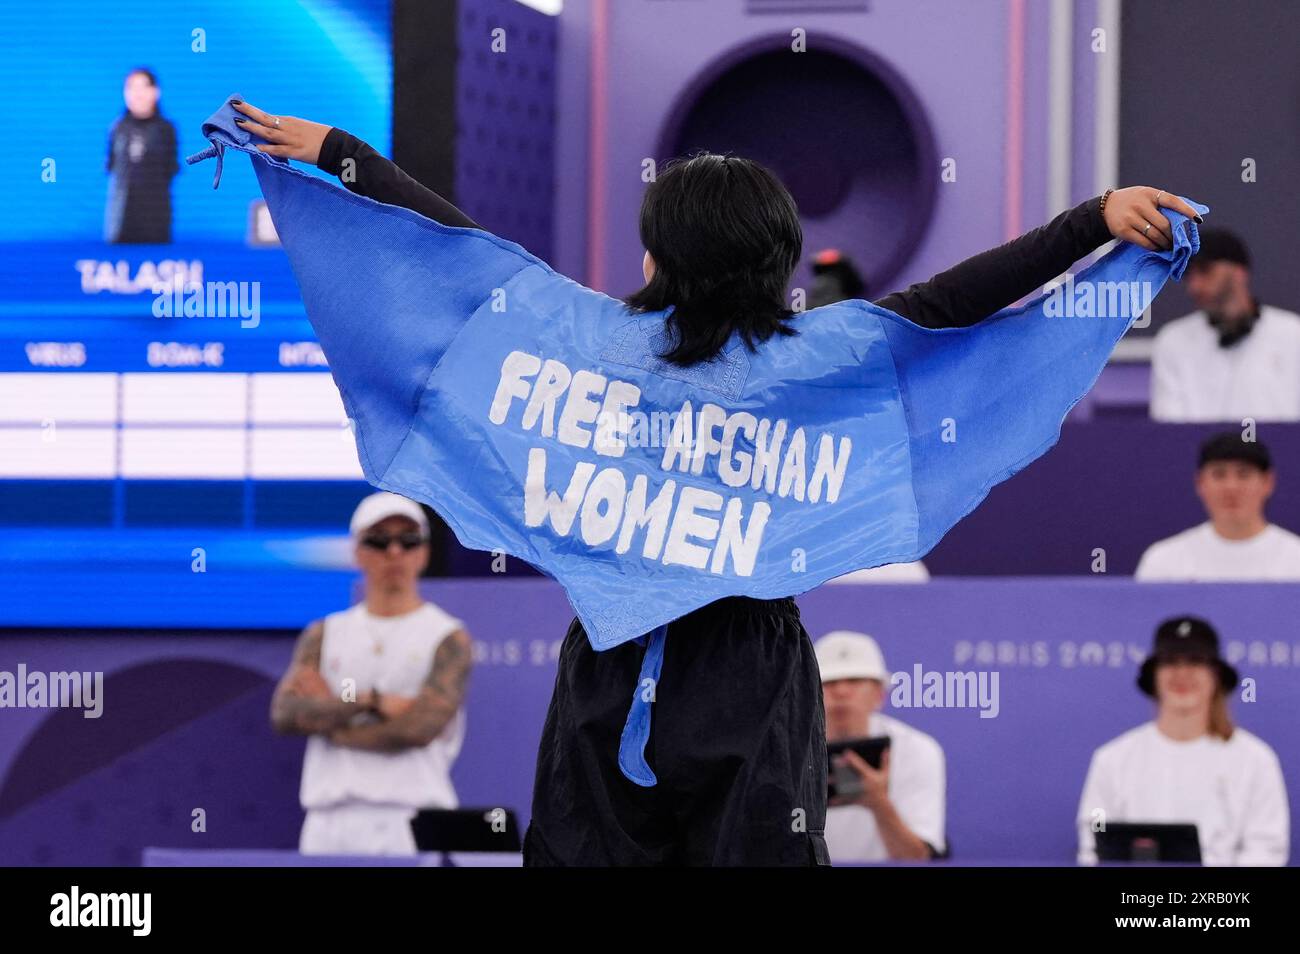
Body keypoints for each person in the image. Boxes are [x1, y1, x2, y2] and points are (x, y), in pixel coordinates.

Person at [228, 97, 1198, 866]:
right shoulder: (827, 351)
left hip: (617, 666)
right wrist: (1092, 222)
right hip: (736, 666)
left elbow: (452, 254)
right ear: (776, 259)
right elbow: (957, 302)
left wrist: (339, 157)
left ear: (657, 255)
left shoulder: (581, 339)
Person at [270, 492, 473, 855]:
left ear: (424, 552)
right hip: (328, 823)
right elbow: (285, 714)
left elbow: (418, 729)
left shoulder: (447, 636)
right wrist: (374, 701)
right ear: (357, 551)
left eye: (408, 541)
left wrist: (331, 716)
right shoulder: (324, 633)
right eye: (379, 541)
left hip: (410, 822)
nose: (394, 552)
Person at [1076, 616, 1288, 866]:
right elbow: (1095, 834)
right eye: (1170, 662)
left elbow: (1266, 850)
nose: (1182, 673)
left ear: (1216, 676)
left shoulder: (1255, 760)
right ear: (1153, 676)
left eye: (1196, 662)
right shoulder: (1112, 760)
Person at [816, 631, 946, 862]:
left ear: (879, 694)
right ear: (808, 692)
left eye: (855, 680)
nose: (841, 691)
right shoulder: (783, 751)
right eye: (829, 682)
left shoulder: (918, 751)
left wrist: (878, 803)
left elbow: (917, 859)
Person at [1150, 228, 1300, 422]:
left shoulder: (1293, 335)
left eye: (1205, 270)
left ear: (1239, 272)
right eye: (1188, 275)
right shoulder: (1173, 341)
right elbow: (1170, 430)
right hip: (1204, 452)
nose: (1194, 286)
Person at [1135, 431, 1300, 581]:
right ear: (1200, 483)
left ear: (1267, 482)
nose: (1231, 487)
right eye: (1219, 474)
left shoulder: (1295, 558)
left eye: (1243, 474)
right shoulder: (1165, 561)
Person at [105, 68, 179, 244]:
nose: (137, 94)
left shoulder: (165, 130)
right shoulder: (118, 129)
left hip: (156, 219)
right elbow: (112, 167)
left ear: (155, 92)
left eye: (142, 87)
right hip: (121, 221)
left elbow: (170, 169)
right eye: (131, 87)